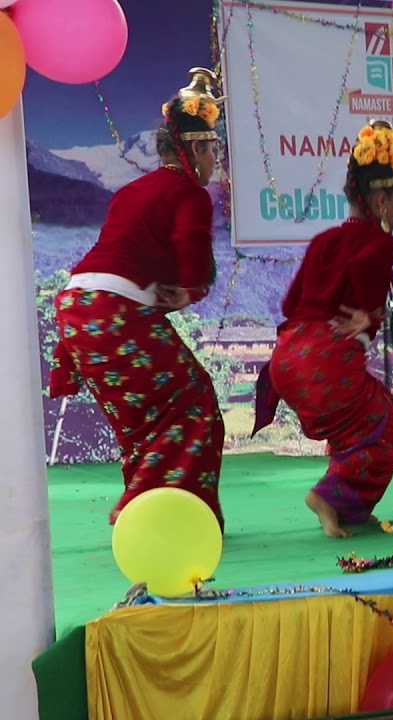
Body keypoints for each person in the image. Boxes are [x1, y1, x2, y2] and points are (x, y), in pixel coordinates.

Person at [48, 68, 228, 529]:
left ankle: (151, 515)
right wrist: (188, 290)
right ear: (195, 150)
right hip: (112, 311)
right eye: (212, 149)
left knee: (143, 419)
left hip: (76, 314)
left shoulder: (131, 191)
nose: (215, 160)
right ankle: (161, 515)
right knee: (195, 403)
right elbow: (190, 264)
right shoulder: (189, 193)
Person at [253, 120, 393, 537]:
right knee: (392, 430)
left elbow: (290, 304)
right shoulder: (382, 244)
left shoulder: (324, 239)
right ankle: (330, 496)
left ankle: (342, 509)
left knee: (358, 425)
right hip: (324, 359)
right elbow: (363, 282)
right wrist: (369, 316)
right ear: (379, 201)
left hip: (287, 358)